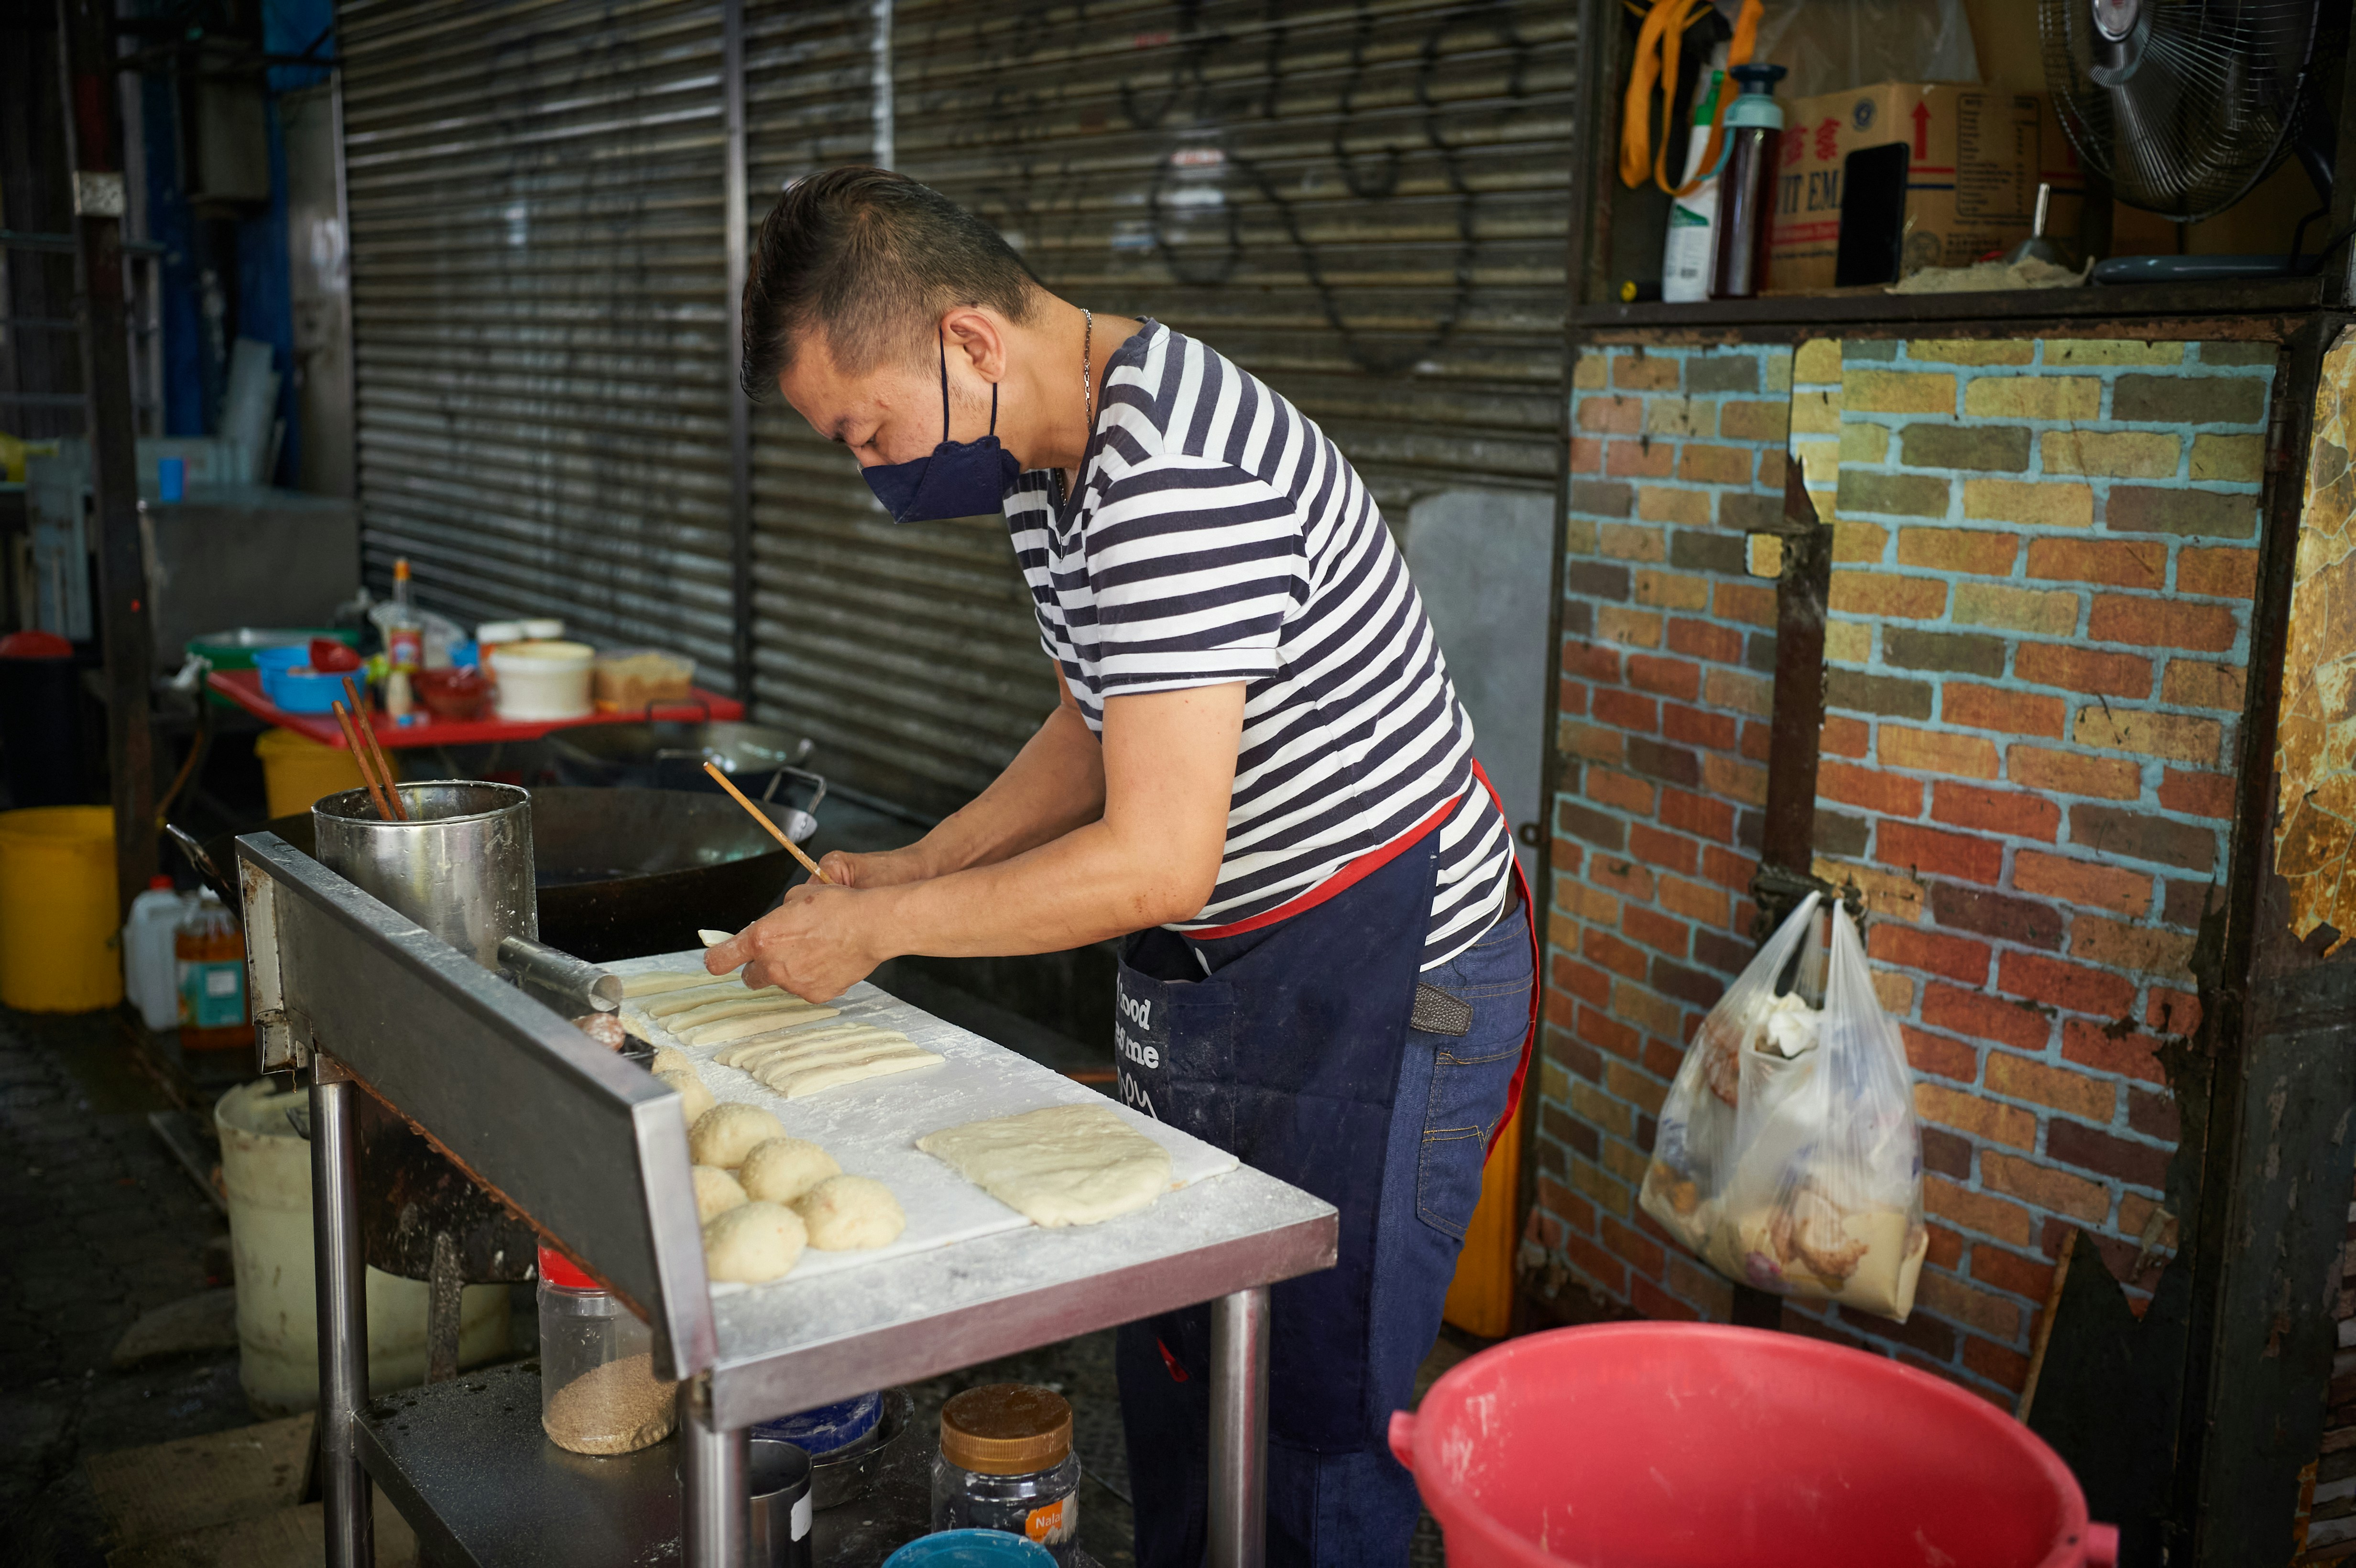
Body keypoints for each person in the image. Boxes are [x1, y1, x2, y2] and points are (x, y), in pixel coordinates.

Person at [711, 165, 1536, 1568]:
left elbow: (1156, 857)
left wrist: (884, 937)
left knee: (1315, 1425)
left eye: (869, 428)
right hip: (1246, 968)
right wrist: (910, 869)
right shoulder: (1055, 464)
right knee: (1190, 1374)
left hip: (1386, 983)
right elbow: (1098, 730)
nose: (873, 468)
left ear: (968, 343)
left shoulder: (1178, 475)